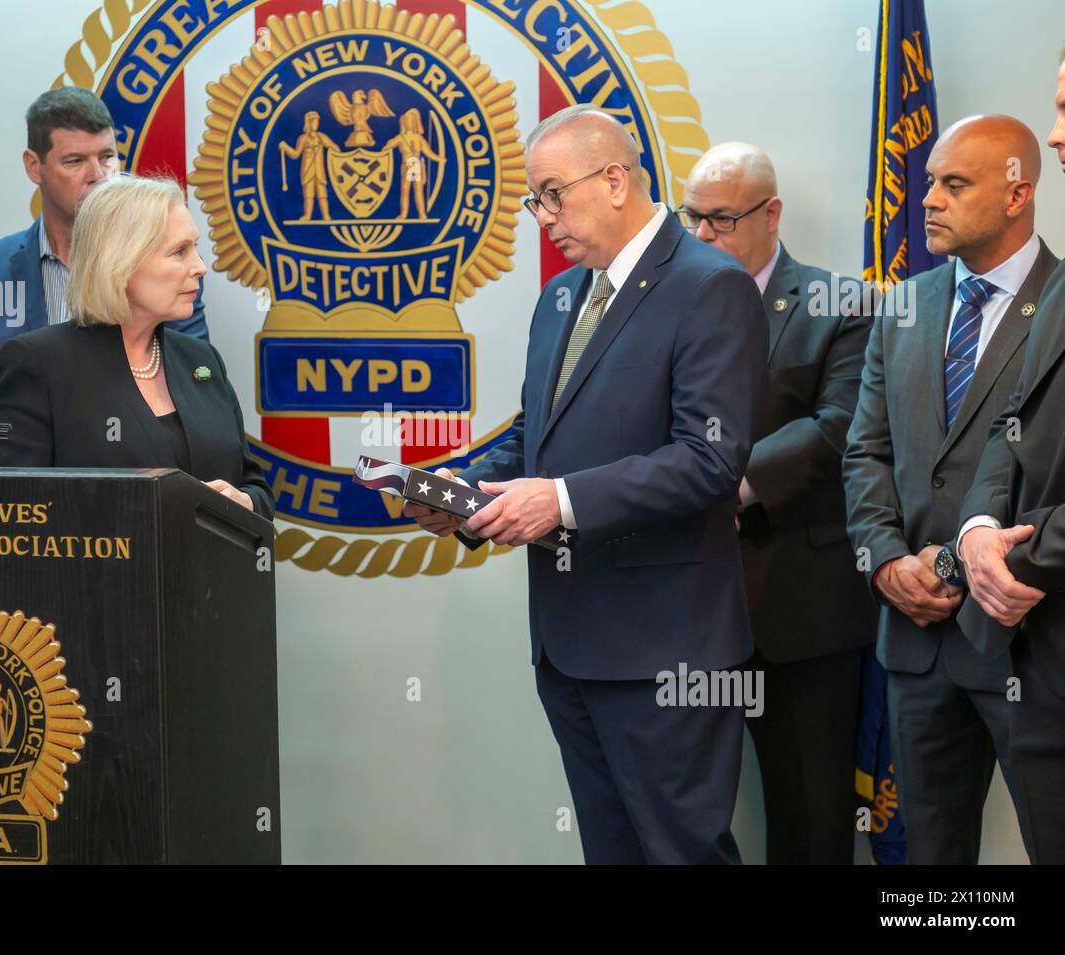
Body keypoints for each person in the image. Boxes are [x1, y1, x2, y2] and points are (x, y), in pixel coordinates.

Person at [406, 105, 767, 864]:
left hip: (666, 651)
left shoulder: (711, 286)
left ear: (613, 180)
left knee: (683, 853)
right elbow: (536, 444)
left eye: (551, 194)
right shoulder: (563, 297)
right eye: (533, 200)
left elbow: (709, 463)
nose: (542, 217)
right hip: (569, 644)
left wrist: (562, 502)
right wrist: (463, 497)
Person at [844, 115, 1055, 864]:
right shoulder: (902, 307)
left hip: (1028, 646)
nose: (927, 199)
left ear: (1016, 194)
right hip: (914, 640)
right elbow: (865, 451)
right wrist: (885, 562)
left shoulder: (1060, 304)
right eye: (929, 180)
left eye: (953, 184)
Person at [681, 142, 875, 864]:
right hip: (684, 607)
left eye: (720, 220)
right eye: (690, 217)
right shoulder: (676, 310)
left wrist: (714, 487)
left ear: (772, 214)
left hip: (801, 612)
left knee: (812, 819)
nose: (700, 235)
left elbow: (838, 428)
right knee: (683, 815)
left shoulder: (841, 303)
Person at [0, 87, 209, 467]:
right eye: (75, 161)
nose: (98, 176)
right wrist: (9, 488)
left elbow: (193, 390)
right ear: (34, 167)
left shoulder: (165, 272)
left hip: (140, 498)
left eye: (108, 157)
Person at [0, 175, 272, 521]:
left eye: (195, 248)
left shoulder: (201, 360)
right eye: (179, 251)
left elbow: (253, 484)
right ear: (120, 264)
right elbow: (7, 514)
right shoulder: (38, 364)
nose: (200, 267)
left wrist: (246, 502)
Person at [956, 52, 1065, 864]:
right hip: (1041, 664)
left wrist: (1025, 557)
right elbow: (1013, 424)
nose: (1055, 137)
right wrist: (982, 529)